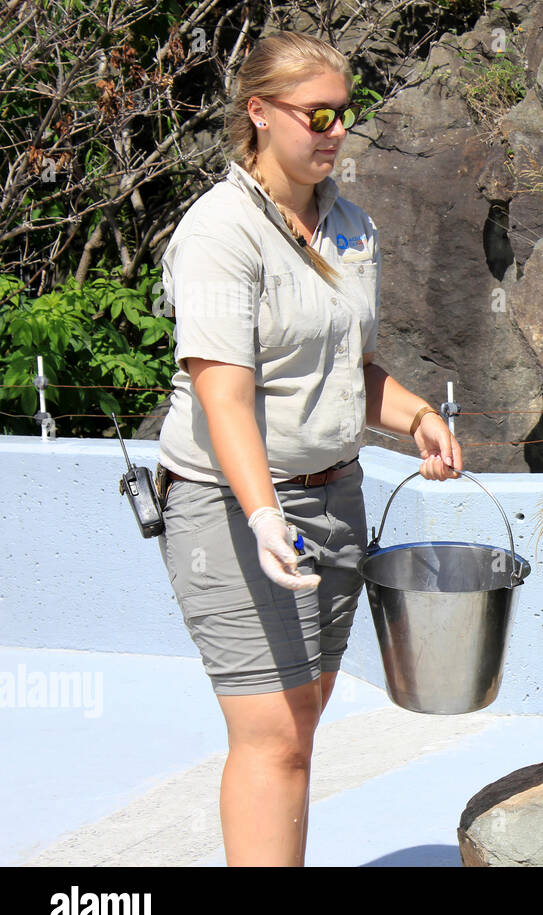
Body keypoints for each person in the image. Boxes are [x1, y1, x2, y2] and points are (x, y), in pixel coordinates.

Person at [154, 30, 462, 866]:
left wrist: (414, 415)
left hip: (337, 497)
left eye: (343, 115)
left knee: (301, 726)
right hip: (234, 508)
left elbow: (341, 368)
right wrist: (260, 513)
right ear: (258, 113)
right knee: (272, 737)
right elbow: (226, 394)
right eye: (314, 114)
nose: (333, 131)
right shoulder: (221, 232)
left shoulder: (350, 225)